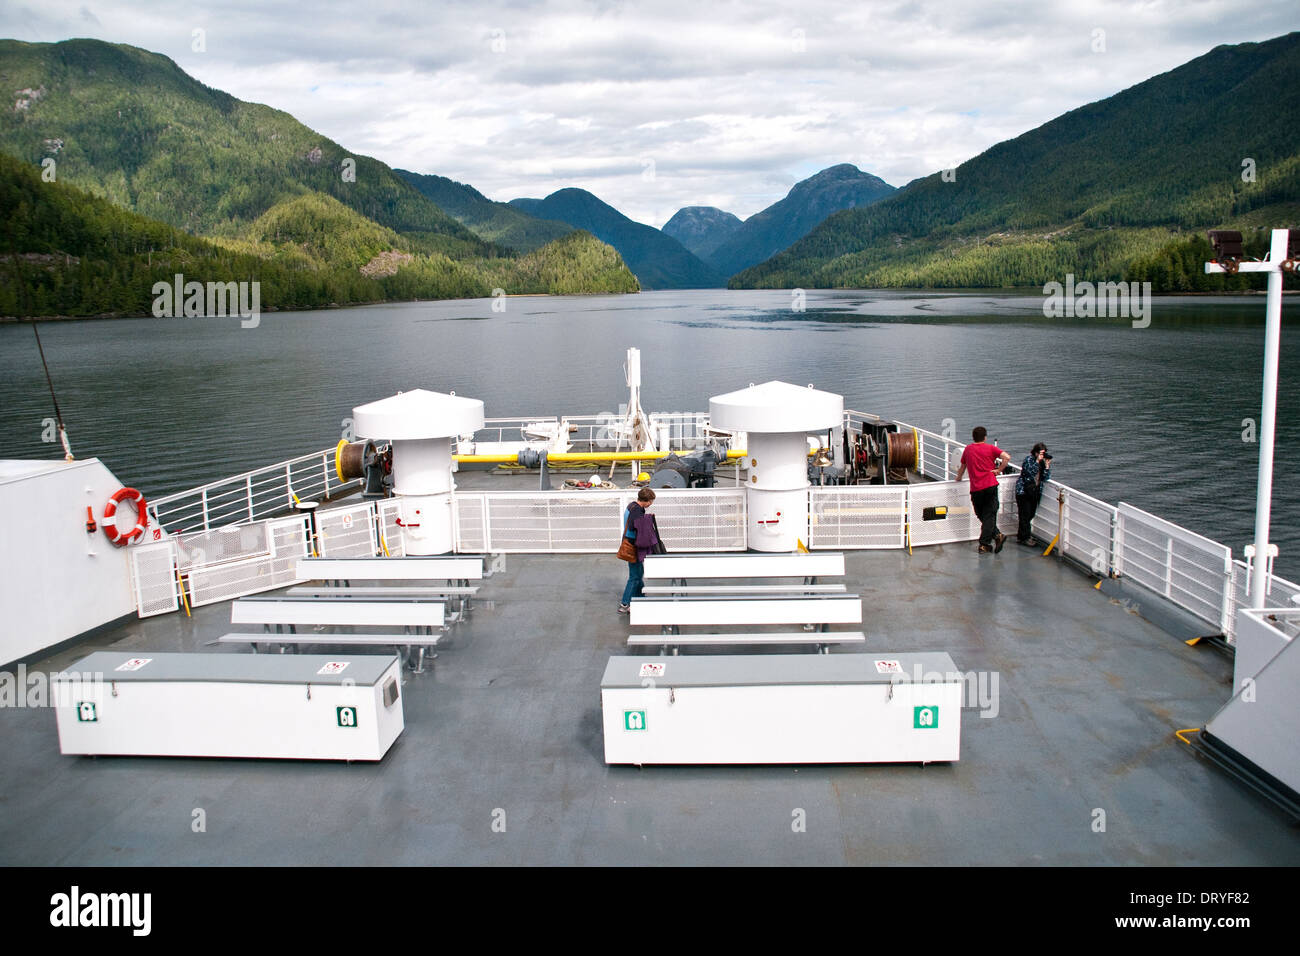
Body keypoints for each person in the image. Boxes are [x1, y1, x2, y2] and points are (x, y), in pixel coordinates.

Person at [955, 426, 1011, 554]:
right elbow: (1006, 457)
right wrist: (999, 470)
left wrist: (958, 477)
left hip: (976, 488)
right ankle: (995, 537)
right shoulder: (990, 448)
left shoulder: (968, 449)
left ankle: (985, 543)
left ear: (973, 437)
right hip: (990, 485)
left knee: (982, 514)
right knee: (989, 515)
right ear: (985, 437)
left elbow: (963, 466)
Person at [618, 487, 658, 611]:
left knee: (638, 573)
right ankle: (625, 603)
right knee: (635, 576)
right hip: (634, 546)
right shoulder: (638, 511)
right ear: (647, 501)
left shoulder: (632, 506)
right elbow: (635, 527)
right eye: (651, 501)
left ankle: (640, 597)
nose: (651, 504)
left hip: (629, 543)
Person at [1015, 443, 1053, 546]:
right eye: (1041, 453)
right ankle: (1024, 537)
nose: (1042, 455)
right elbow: (1029, 472)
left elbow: (1045, 477)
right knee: (1025, 514)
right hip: (1023, 491)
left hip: (1035, 492)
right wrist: (1037, 462)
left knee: (1030, 514)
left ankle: (1022, 536)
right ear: (1036, 453)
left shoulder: (1042, 463)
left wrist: (1047, 466)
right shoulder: (1029, 460)